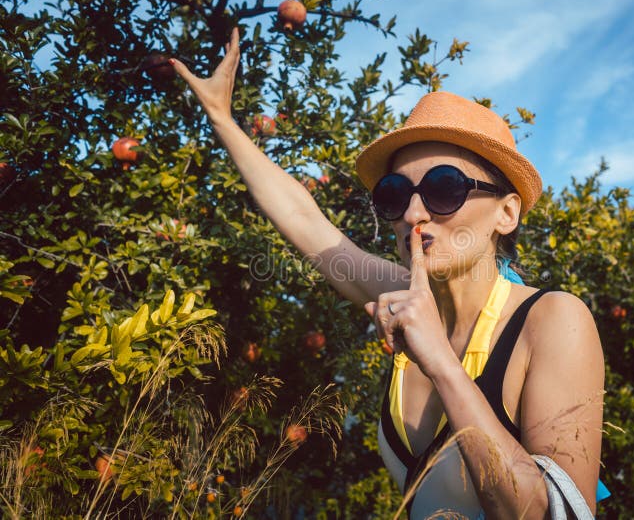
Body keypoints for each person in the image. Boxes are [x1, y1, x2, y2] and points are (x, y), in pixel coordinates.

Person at [171, 28, 607, 519]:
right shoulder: (401, 294)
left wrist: (441, 363)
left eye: (445, 187)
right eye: (396, 194)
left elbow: (556, 515)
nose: (414, 213)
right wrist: (221, 119)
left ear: (506, 213)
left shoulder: (551, 320)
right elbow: (305, 222)